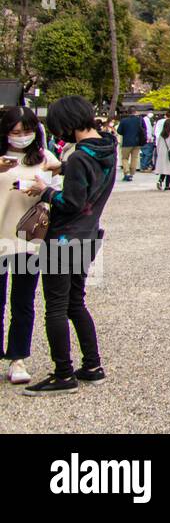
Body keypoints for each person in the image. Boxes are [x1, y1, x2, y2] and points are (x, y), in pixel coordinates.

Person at [20, 96, 114, 395]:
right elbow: (89, 182)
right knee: (76, 302)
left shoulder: (79, 158)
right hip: (88, 236)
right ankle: (92, 365)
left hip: (63, 240)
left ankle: (63, 374)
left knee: (56, 308)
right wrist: (63, 169)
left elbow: (71, 202)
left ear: (67, 123)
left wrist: (45, 191)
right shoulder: (106, 147)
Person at [0, 107, 61, 385]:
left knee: (23, 302)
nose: (21, 137)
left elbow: (59, 194)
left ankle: (18, 358)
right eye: (15, 132)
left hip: (29, 239)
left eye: (27, 131)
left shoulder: (46, 158)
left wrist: (43, 190)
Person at [115, 108, 145, 182]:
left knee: (124, 158)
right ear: (135, 112)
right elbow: (144, 129)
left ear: (128, 112)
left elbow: (119, 131)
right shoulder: (139, 120)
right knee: (134, 158)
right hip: (137, 142)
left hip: (127, 142)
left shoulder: (124, 121)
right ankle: (132, 173)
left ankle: (127, 173)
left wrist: (125, 133)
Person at [153, 111, 170, 190]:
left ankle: (160, 180)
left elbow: (158, 145)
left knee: (164, 169)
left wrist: (158, 153)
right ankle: (167, 185)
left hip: (162, 153)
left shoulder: (162, 134)